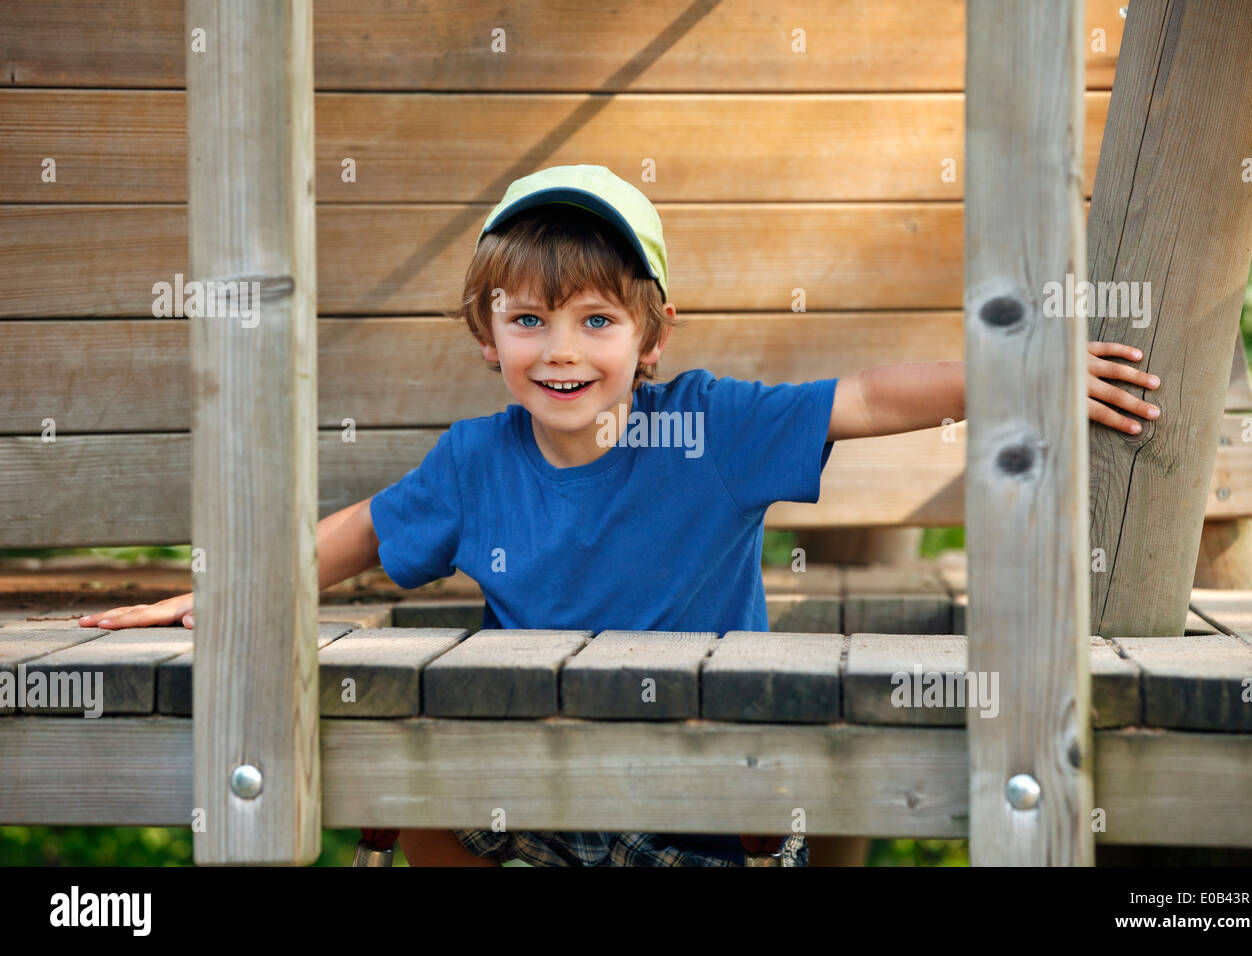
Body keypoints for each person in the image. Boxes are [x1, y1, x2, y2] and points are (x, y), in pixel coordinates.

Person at [79, 163, 1163, 866]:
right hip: (533, 784)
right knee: (405, 787)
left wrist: (1025, 371)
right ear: (487, 331)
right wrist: (223, 601)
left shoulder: (713, 427)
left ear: (651, 337)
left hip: (704, 779)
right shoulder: (474, 460)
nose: (560, 348)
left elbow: (869, 396)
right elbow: (363, 528)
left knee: (817, 771)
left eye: (596, 318)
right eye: (529, 318)